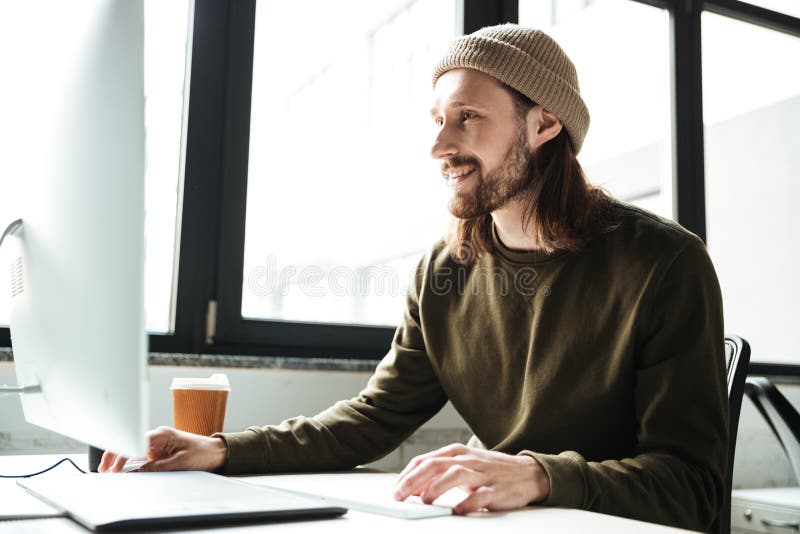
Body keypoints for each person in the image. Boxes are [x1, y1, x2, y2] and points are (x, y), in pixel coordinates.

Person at [100, 24, 727, 532]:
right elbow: (372, 420)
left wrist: (538, 475)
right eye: (438, 119)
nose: (440, 146)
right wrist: (220, 449)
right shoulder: (443, 271)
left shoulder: (664, 264)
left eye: (469, 118)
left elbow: (694, 489)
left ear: (544, 125)